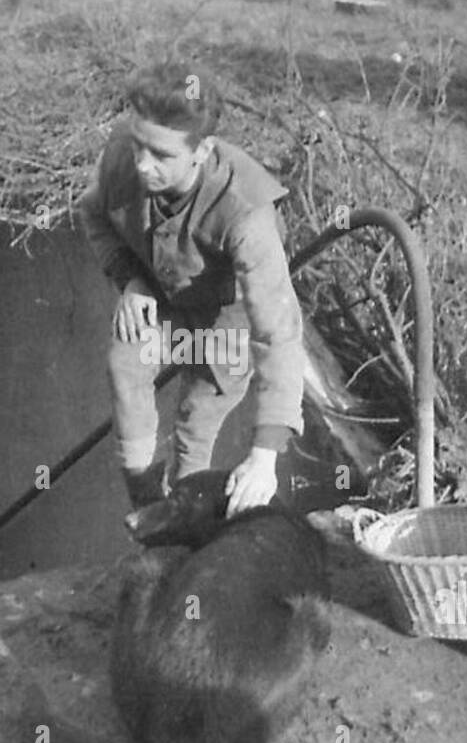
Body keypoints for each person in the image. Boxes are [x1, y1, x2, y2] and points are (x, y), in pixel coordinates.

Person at [77, 60, 306, 516]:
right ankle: (145, 506)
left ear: (202, 151)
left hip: (226, 324)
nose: (142, 165)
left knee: (194, 426)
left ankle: (181, 522)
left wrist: (265, 454)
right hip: (164, 301)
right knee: (126, 358)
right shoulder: (127, 158)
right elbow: (92, 213)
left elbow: (278, 335)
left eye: (161, 156)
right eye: (139, 145)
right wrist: (131, 279)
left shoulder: (246, 213)